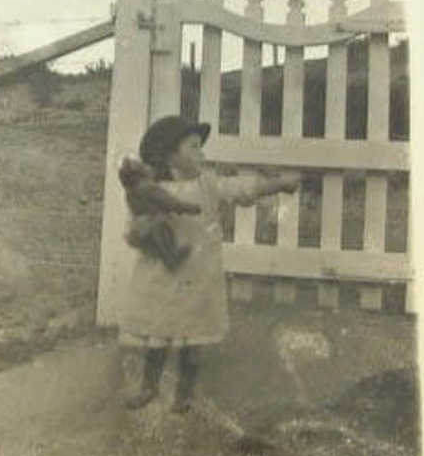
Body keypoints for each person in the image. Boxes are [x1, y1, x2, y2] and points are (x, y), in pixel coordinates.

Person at [119, 115, 299, 414]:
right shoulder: (148, 190)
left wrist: (277, 185)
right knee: (157, 337)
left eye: (201, 146)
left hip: (198, 276)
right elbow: (132, 231)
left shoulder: (208, 185)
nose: (202, 152)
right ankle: (149, 387)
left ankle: (185, 394)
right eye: (193, 146)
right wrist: (140, 232)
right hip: (161, 277)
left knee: (193, 340)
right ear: (168, 155)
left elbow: (242, 188)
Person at [119, 154, 201, 271]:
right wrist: (189, 208)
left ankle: (162, 255)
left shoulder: (130, 192)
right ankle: (171, 258)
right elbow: (170, 203)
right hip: (156, 227)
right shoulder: (148, 187)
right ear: (142, 172)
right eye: (145, 166)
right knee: (160, 224)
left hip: (140, 231)